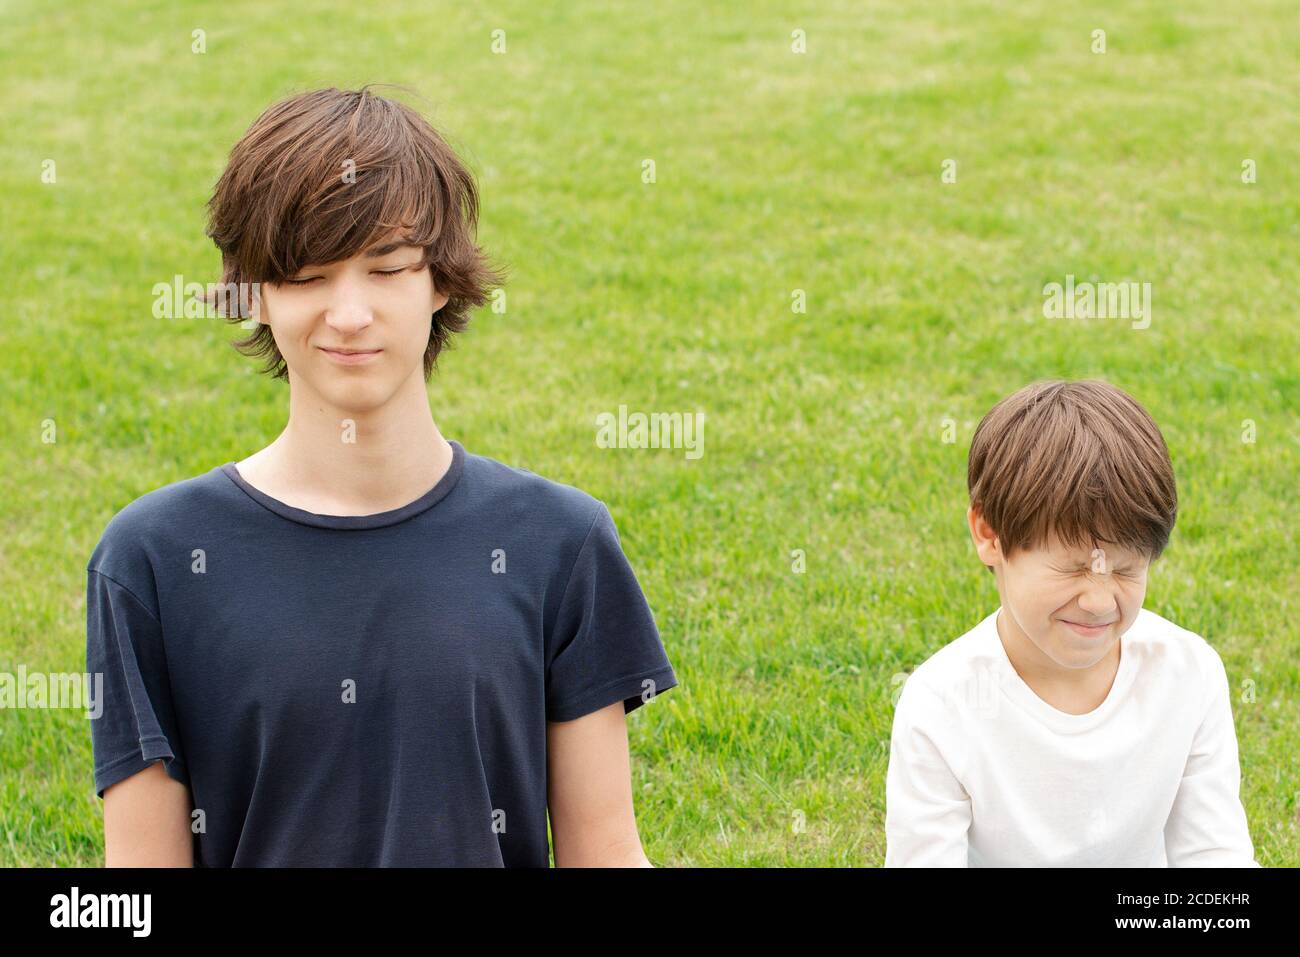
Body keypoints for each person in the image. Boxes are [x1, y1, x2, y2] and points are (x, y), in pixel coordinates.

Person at [87, 86, 677, 867]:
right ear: (253, 294)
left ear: (440, 281)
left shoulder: (560, 542)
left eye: (388, 267)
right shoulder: (152, 560)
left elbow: (605, 852)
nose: (351, 312)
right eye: (307, 277)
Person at [884, 379, 1257, 867]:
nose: (1100, 601)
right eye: (1073, 567)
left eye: (1126, 570)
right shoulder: (942, 703)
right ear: (989, 534)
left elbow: (1214, 857)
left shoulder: (1188, 673)